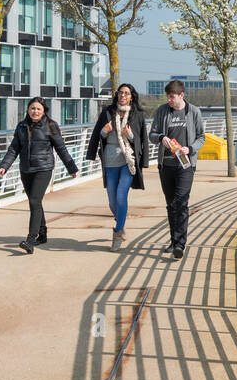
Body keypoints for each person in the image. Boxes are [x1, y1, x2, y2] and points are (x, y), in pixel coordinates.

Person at [0, 97, 78, 254]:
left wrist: (71, 167)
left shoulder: (51, 126)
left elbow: (61, 148)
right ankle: (42, 234)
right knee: (35, 202)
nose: (35, 111)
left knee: (34, 201)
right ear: (28, 110)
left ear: (44, 111)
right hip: (26, 169)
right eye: (32, 108)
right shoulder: (21, 126)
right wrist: (4, 166)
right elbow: (14, 148)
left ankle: (30, 239)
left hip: (44, 168)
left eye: (38, 109)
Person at [86, 83, 150, 252]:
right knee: (113, 202)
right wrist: (104, 132)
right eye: (120, 92)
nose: (123, 95)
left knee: (122, 196)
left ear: (131, 97)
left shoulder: (138, 115)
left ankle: (116, 233)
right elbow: (97, 135)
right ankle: (121, 226)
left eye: (126, 93)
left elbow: (142, 139)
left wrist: (129, 135)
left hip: (128, 160)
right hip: (110, 159)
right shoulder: (107, 112)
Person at [150, 79, 205, 259]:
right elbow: (152, 134)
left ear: (181, 95)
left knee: (181, 202)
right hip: (166, 164)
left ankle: (180, 244)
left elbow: (201, 137)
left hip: (186, 165)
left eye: (172, 97)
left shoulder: (194, 112)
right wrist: (160, 138)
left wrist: (190, 149)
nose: (169, 100)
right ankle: (174, 241)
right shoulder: (162, 111)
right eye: (168, 97)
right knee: (171, 204)